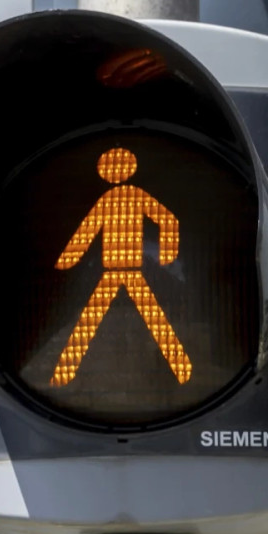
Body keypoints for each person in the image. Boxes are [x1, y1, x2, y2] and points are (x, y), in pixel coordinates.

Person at [50, 147, 192, 387]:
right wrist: (68, 258)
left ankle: (64, 373)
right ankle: (182, 368)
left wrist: (68, 259)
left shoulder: (125, 197)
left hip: (125, 269)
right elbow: (87, 231)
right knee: (143, 318)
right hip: (121, 269)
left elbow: (86, 232)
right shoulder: (125, 197)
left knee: (96, 320)